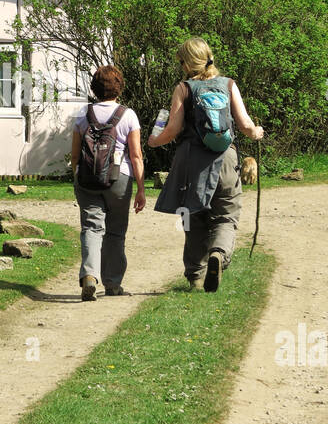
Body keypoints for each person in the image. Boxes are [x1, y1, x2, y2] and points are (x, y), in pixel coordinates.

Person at [149, 38, 264, 292]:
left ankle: (196, 276)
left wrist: (154, 141)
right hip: (226, 159)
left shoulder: (184, 88)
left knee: (192, 217)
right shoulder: (228, 85)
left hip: (191, 161)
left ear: (185, 63)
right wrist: (257, 132)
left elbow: (174, 128)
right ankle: (218, 255)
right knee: (225, 216)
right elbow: (245, 126)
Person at [70, 65, 146, 301]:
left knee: (91, 228)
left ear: (94, 89)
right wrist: (141, 189)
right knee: (115, 231)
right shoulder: (128, 115)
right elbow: (135, 156)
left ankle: (90, 276)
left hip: (88, 180)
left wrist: (77, 176)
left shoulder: (82, 114)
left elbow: (74, 155)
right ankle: (112, 284)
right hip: (119, 179)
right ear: (119, 87)